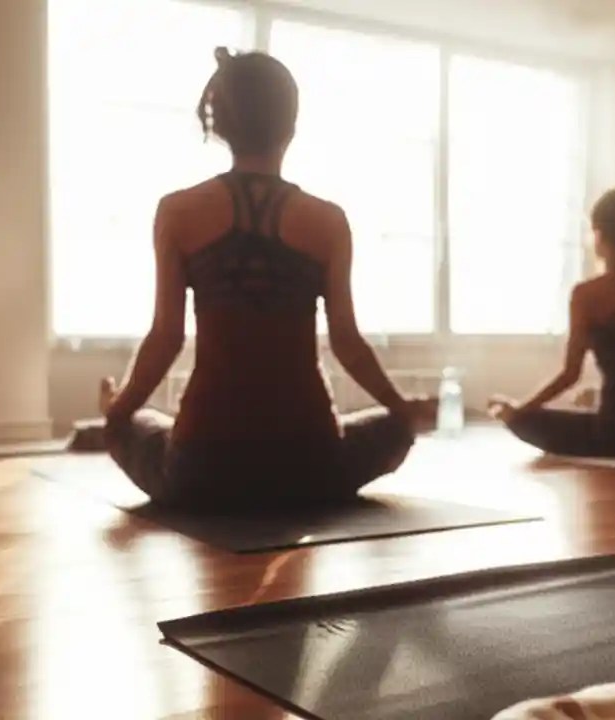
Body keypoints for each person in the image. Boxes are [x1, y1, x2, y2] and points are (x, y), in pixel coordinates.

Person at [98, 47, 433, 511]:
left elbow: (166, 337)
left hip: (201, 469)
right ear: (292, 126)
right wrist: (402, 410)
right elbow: (348, 343)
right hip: (312, 467)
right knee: (393, 427)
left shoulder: (177, 212)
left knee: (132, 425)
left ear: (218, 124)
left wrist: (116, 414)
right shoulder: (328, 220)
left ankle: (116, 409)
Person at [488, 188, 615, 457]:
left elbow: (570, 373)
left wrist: (521, 409)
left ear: (598, 234)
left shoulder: (586, 295)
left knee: (525, 423)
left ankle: (515, 415)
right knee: (587, 417)